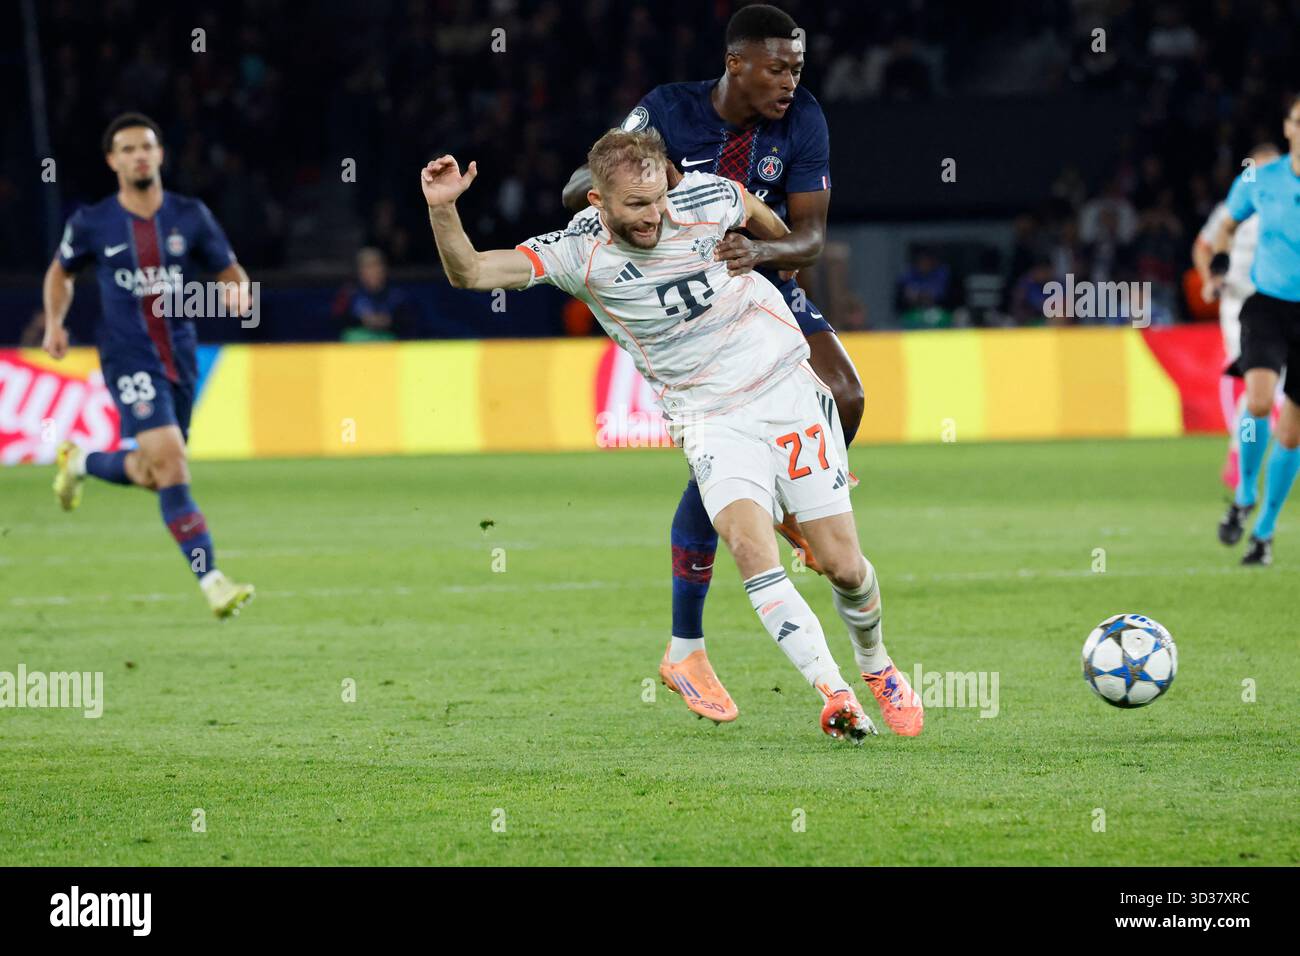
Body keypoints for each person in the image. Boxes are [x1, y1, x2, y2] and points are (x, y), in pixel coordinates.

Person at [420, 128, 924, 741]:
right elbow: (470, 272)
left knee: (845, 568)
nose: (654, 215)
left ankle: (878, 668)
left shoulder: (709, 200)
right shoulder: (577, 253)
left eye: (658, 198)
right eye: (635, 205)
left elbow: (767, 221)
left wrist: (765, 254)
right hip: (711, 421)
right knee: (749, 549)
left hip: (787, 392)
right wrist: (443, 207)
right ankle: (835, 694)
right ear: (597, 203)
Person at [560, 5, 868, 713]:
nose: (791, 81)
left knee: (846, 394)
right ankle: (687, 645)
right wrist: (652, 172)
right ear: (737, 64)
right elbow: (580, 188)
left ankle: (789, 503)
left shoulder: (805, 120)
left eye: (797, 67)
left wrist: (760, 250)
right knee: (715, 467)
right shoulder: (667, 110)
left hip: (757, 278)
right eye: (777, 68)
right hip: (684, 302)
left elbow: (810, 238)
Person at [44, 112, 255, 617]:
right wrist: (55, 323)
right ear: (112, 160)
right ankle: (213, 582)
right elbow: (61, 272)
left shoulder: (190, 216)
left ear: (160, 154)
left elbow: (228, 269)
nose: (139, 155)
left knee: (152, 471)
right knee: (172, 463)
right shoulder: (92, 222)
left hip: (180, 355)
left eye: (147, 146)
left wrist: (239, 292)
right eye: (128, 149)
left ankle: (80, 462)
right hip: (128, 354)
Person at [1210, 97, 1300, 566]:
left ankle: (1263, 531)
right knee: (1260, 400)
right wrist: (1218, 267)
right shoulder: (1260, 179)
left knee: (1292, 434)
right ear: (1287, 127)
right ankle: (1244, 492)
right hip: (1266, 305)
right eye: (1299, 121)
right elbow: (1224, 225)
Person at [1193, 142, 1281, 490]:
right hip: (1240, 304)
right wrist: (1209, 278)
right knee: (1258, 379)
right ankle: (1239, 452)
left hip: (1284, 301)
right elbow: (1203, 247)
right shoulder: (1231, 210)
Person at [332, 247, 416, 341]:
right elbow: (336, 321)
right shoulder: (348, 293)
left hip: (390, 345)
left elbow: (410, 323)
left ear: (384, 269)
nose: (374, 271)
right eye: (368, 266)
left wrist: (389, 321)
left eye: (377, 265)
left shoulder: (397, 295)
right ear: (359, 271)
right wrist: (362, 320)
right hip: (356, 346)